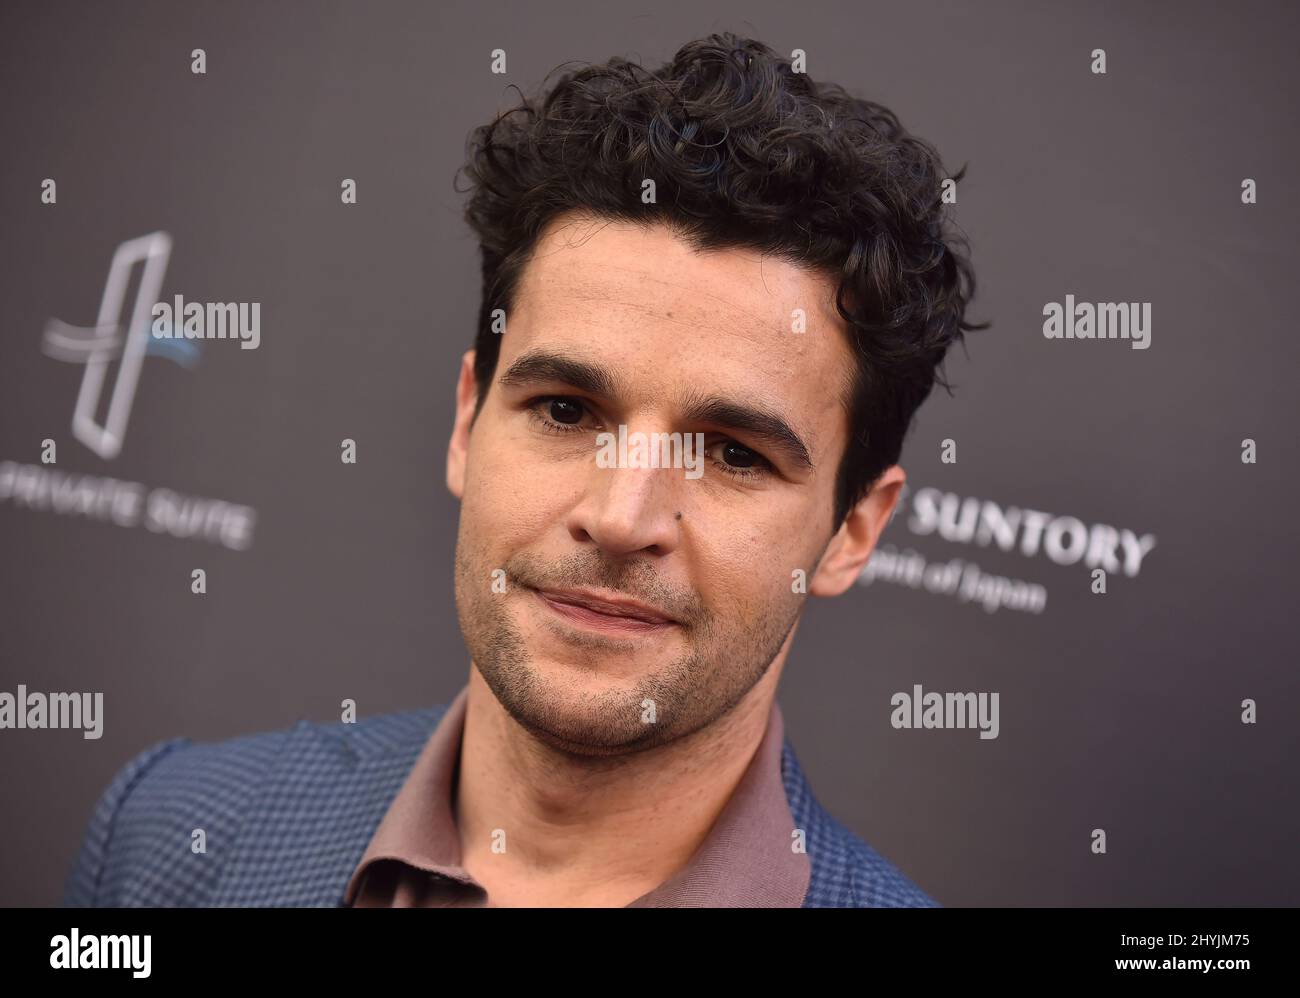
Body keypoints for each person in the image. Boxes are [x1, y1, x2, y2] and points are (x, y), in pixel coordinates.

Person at [65, 31, 984, 908]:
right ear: (468, 419)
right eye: (566, 411)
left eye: (733, 454)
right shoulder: (166, 837)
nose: (623, 517)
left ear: (853, 529)